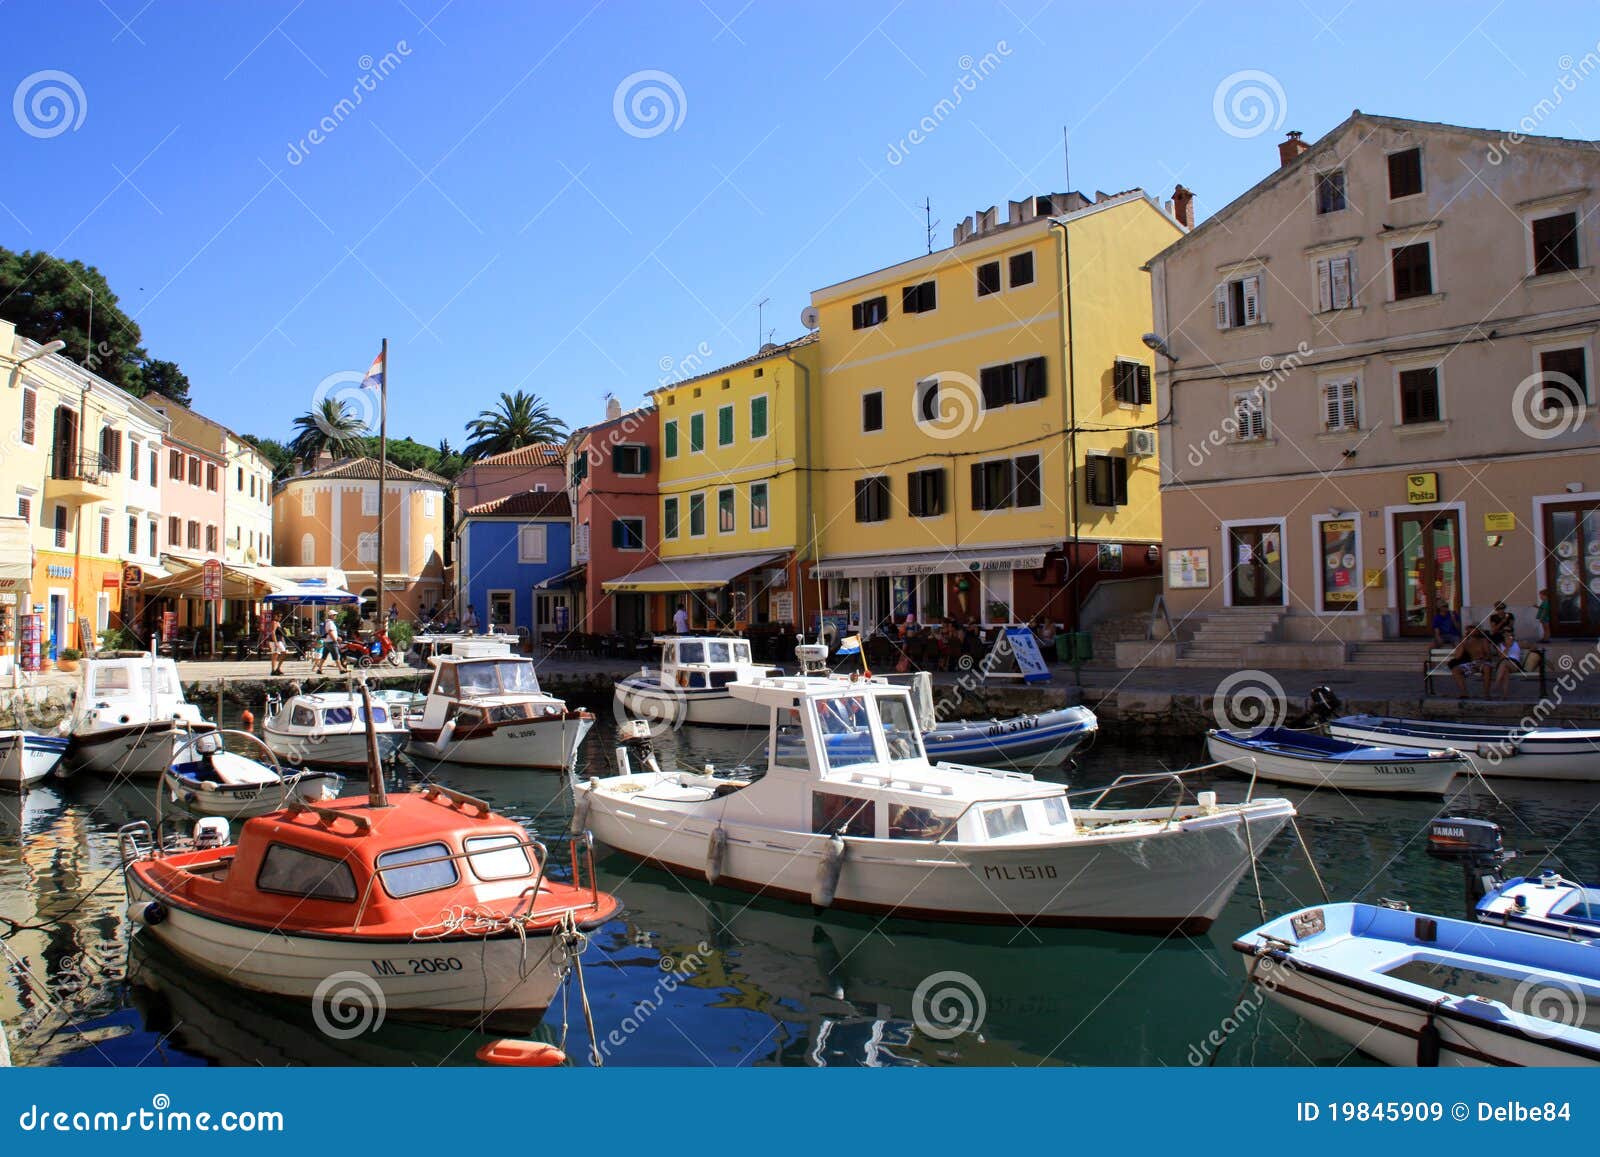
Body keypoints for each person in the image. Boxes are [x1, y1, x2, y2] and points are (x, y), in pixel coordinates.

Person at [1447, 628, 1496, 698]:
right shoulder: (1466, 642)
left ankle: (1486, 693)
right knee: (1456, 670)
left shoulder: (1483, 641)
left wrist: (1483, 659)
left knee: (1487, 668)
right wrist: (1462, 643)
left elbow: (1489, 655)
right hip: (1472, 663)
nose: (1473, 632)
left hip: (1483, 662)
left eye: (1474, 630)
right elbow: (1457, 656)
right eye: (1470, 631)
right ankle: (1464, 692)